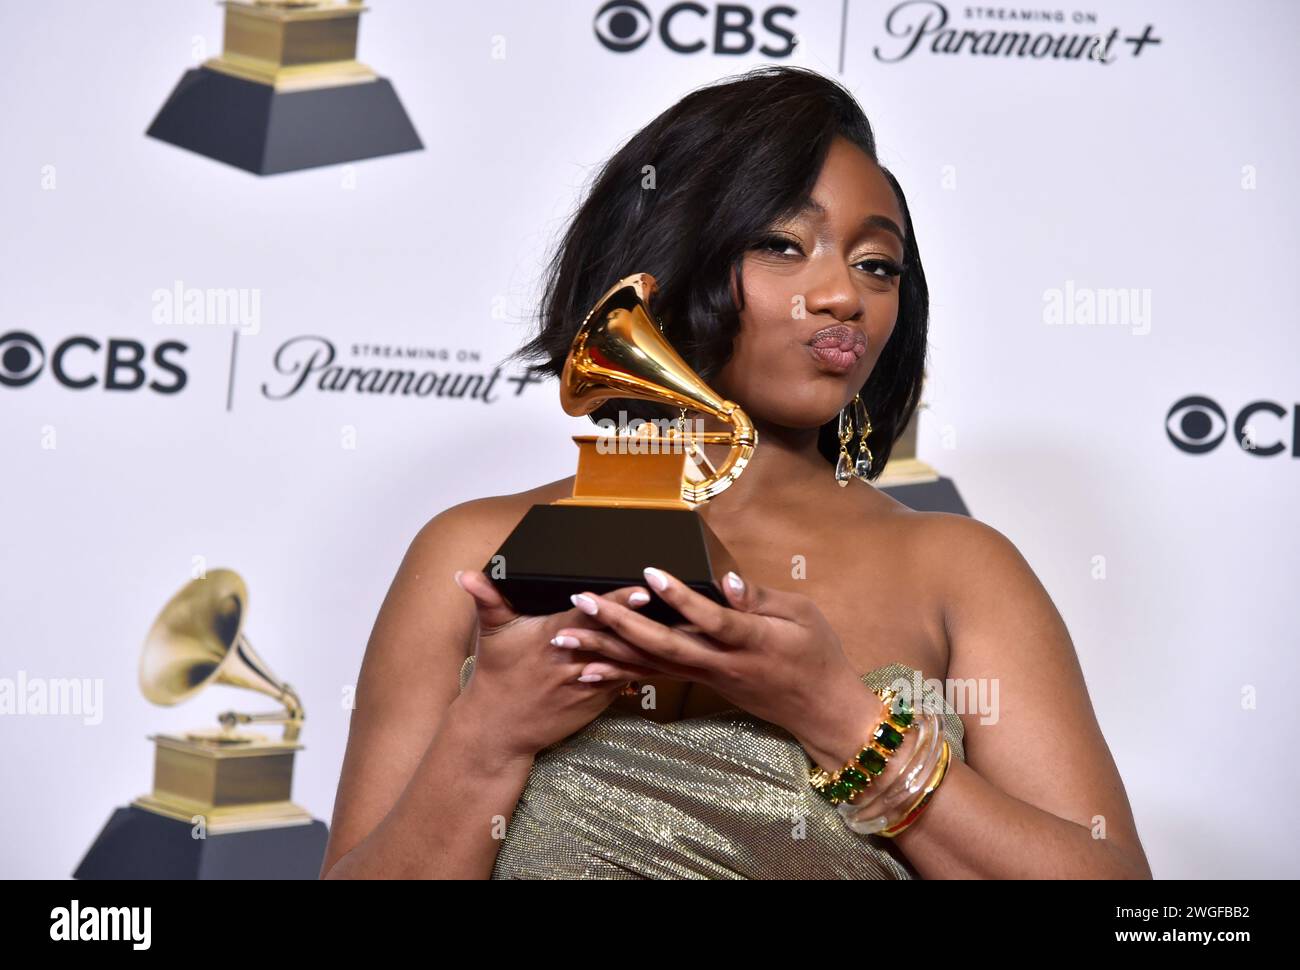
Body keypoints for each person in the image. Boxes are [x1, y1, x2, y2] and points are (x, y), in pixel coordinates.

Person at [319, 65, 1151, 880]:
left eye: (877, 264)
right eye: (783, 245)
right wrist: (490, 733)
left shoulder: (963, 568)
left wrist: (837, 714)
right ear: (665, 260)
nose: (843, 297)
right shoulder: (473, 549)